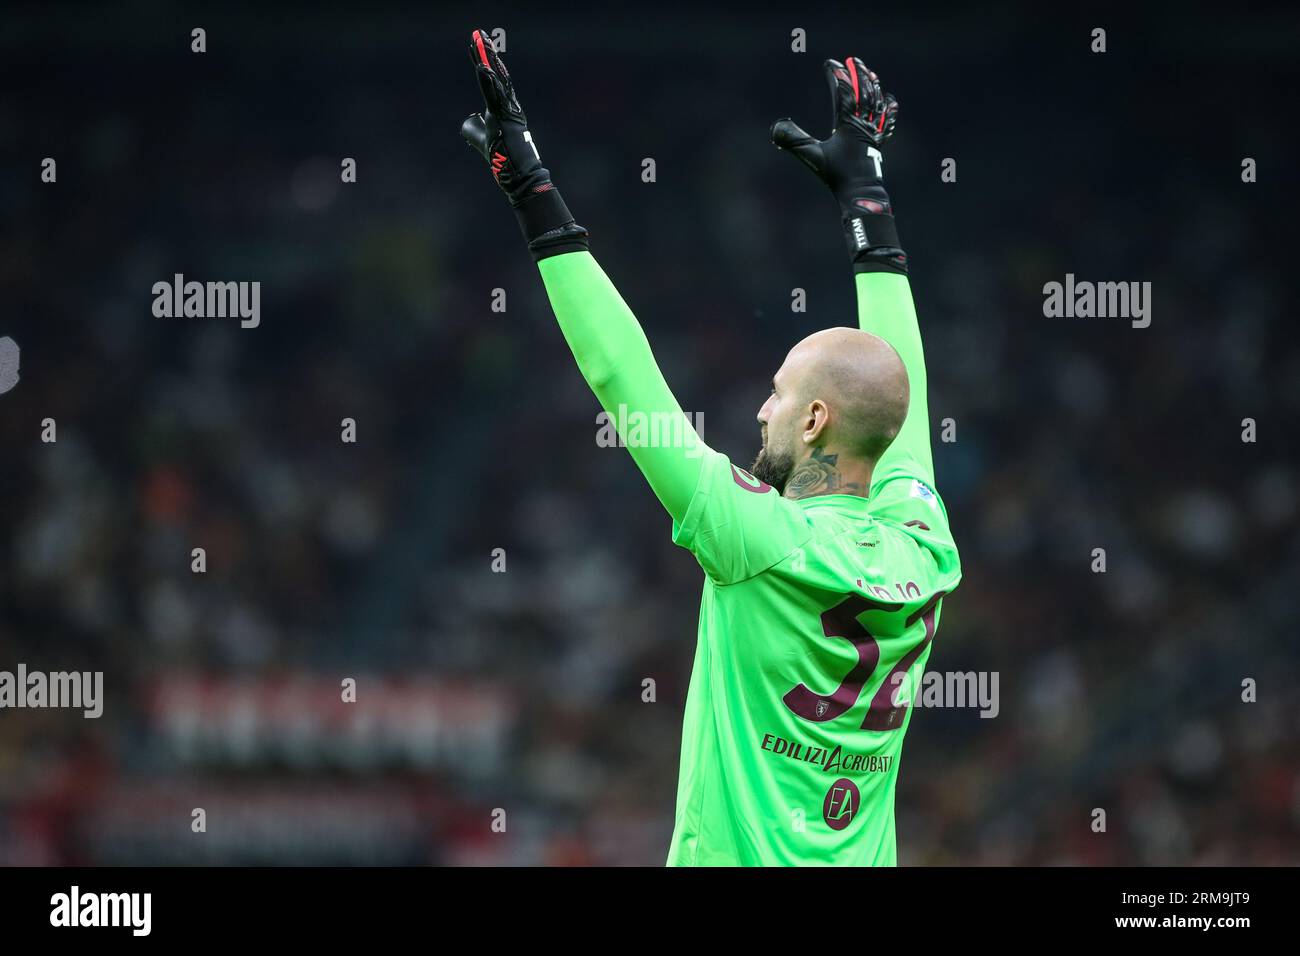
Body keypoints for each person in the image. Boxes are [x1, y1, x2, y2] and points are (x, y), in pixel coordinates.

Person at [461, 28, 961, 865]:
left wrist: (532, 190)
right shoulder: (926, 544)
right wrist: (867, 201)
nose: (761, 411)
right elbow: (894, 396)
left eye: (779, 394)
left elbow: (627, 383)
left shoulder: (758, 540)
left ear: (813, 423)